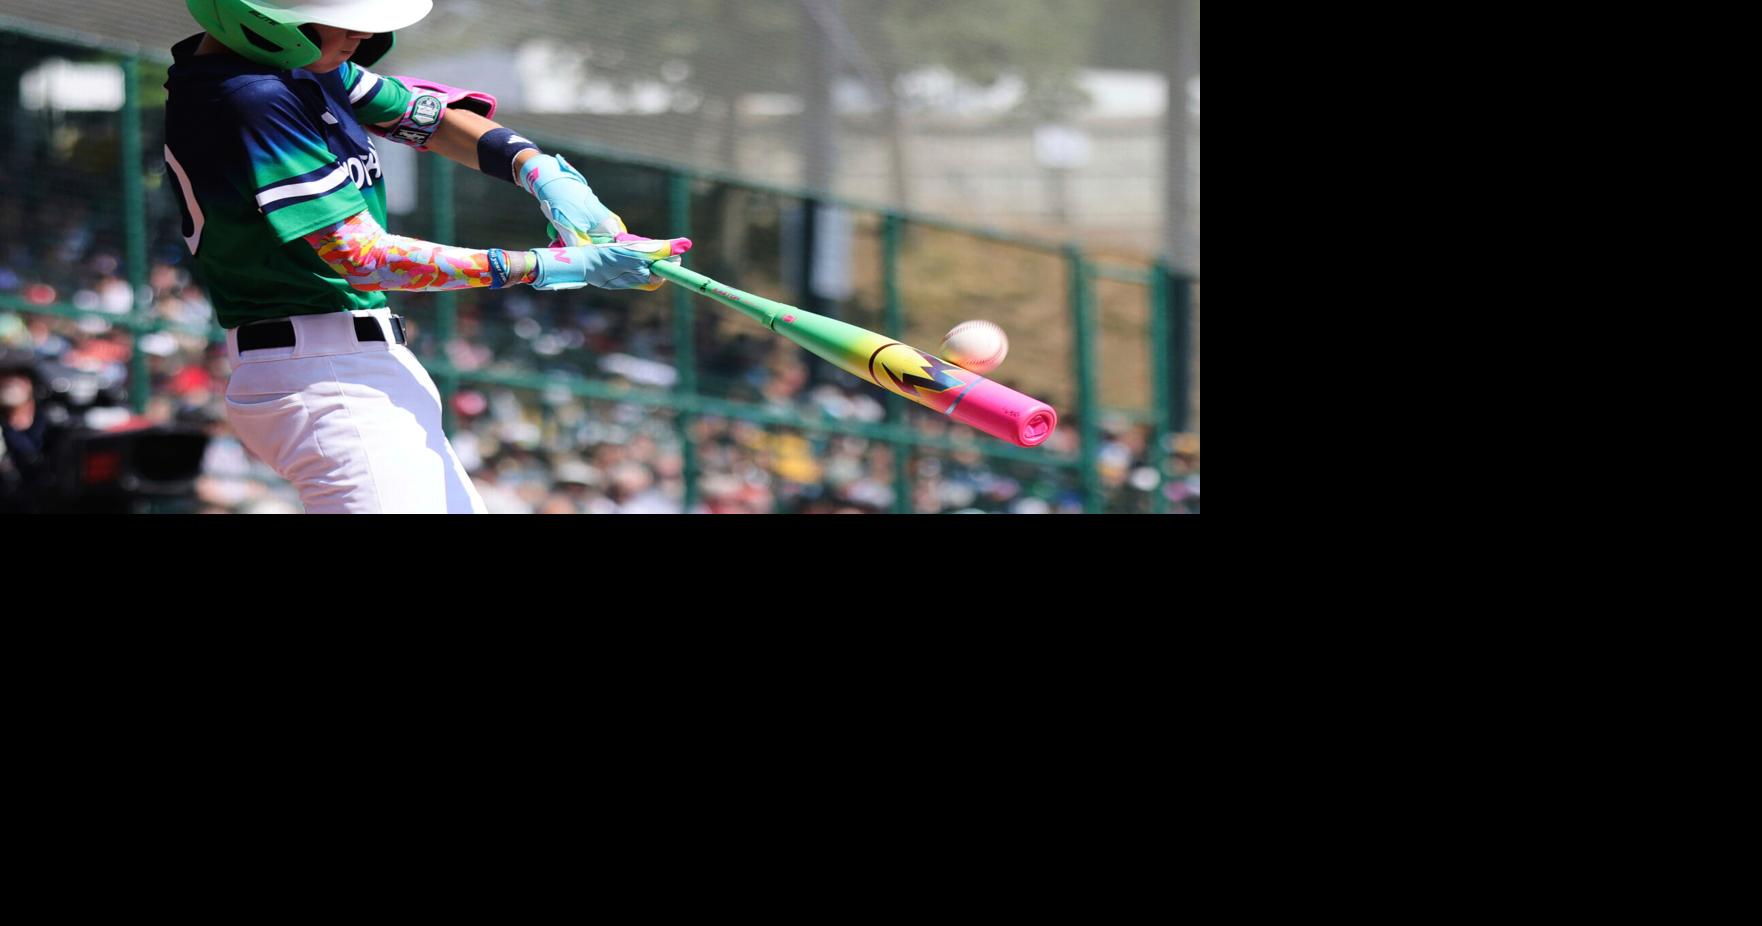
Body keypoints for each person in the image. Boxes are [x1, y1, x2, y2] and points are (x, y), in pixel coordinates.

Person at [163, 0, 691, 513]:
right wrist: (547, 266)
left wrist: (538, 171)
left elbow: (428, 119)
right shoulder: (250, 94)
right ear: (256, 14)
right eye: (341, 21)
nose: (362, 36)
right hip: (322, 373)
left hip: (352, 364)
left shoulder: (296, 70)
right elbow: (362, 257)